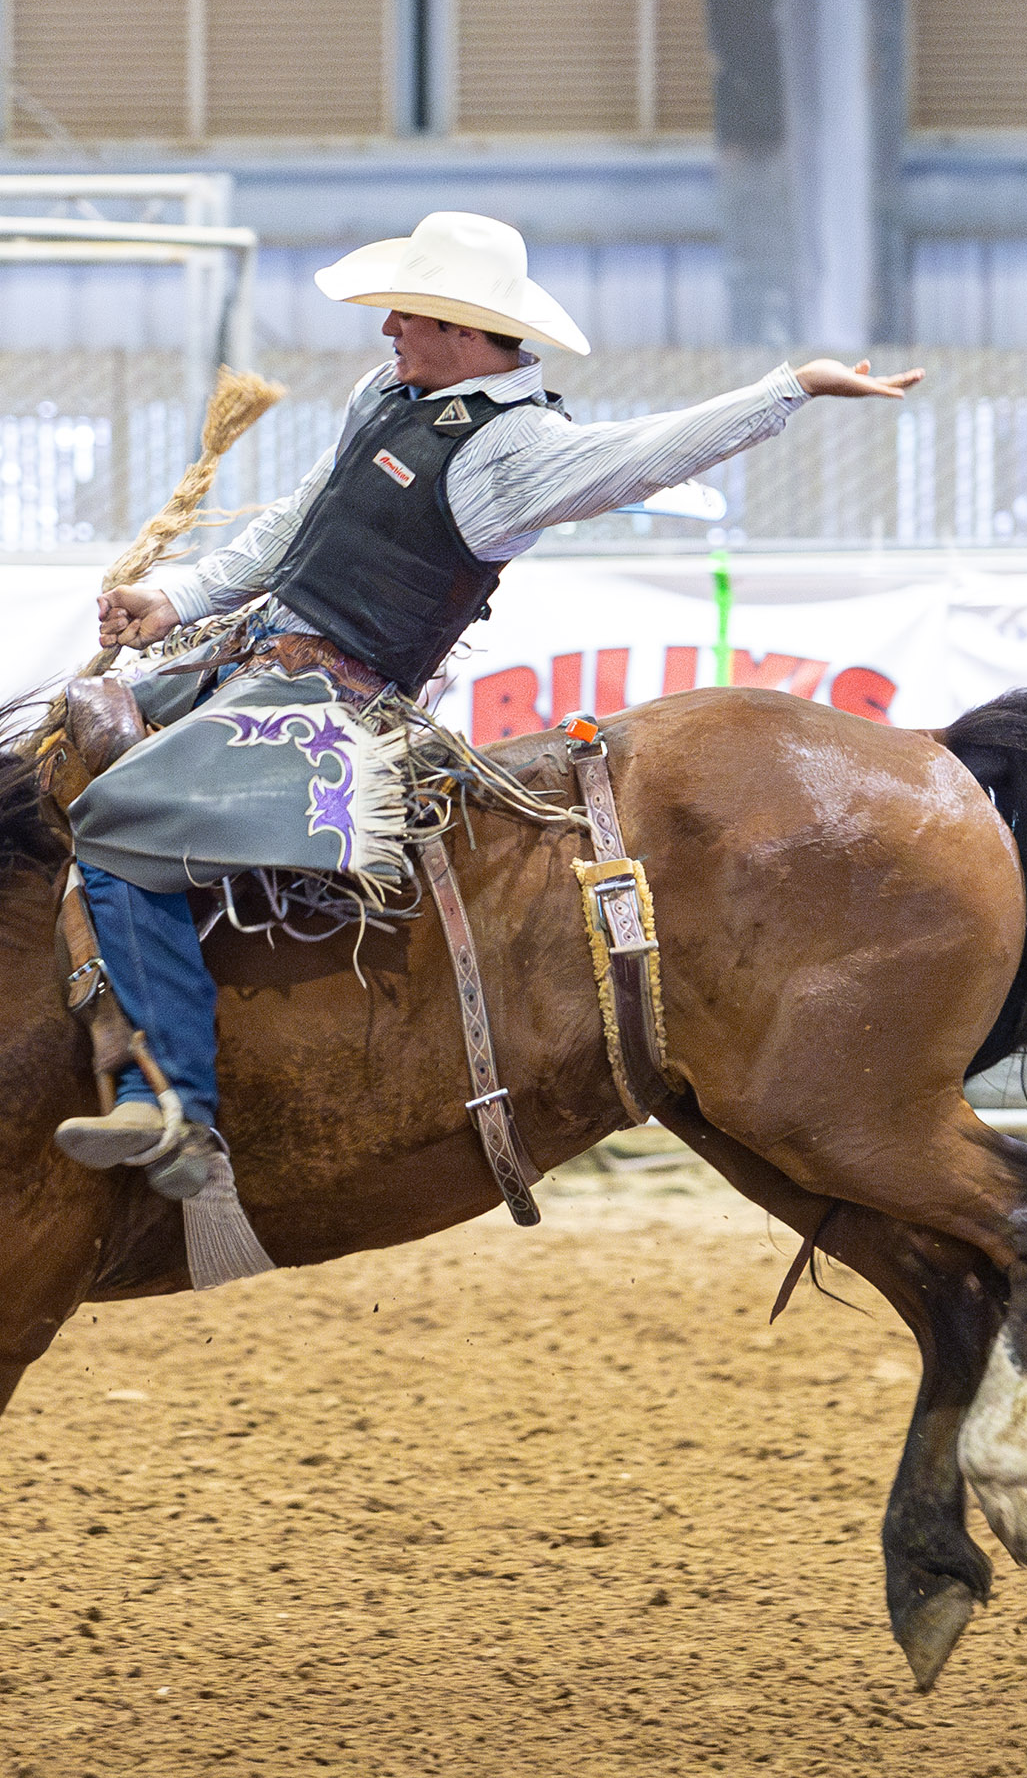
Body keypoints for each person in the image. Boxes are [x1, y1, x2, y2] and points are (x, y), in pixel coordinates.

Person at [56, 210, 922, 1192]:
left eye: (404, 314)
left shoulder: (513, 453)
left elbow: (642, 454)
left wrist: (788, 389)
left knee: (120, 828)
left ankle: (175, 1104)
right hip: (246, 664)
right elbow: (300, 520)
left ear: (462, 333)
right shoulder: (386, 393)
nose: (386, 329)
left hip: (330, 714)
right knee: (60, 756)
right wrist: (174, 597)